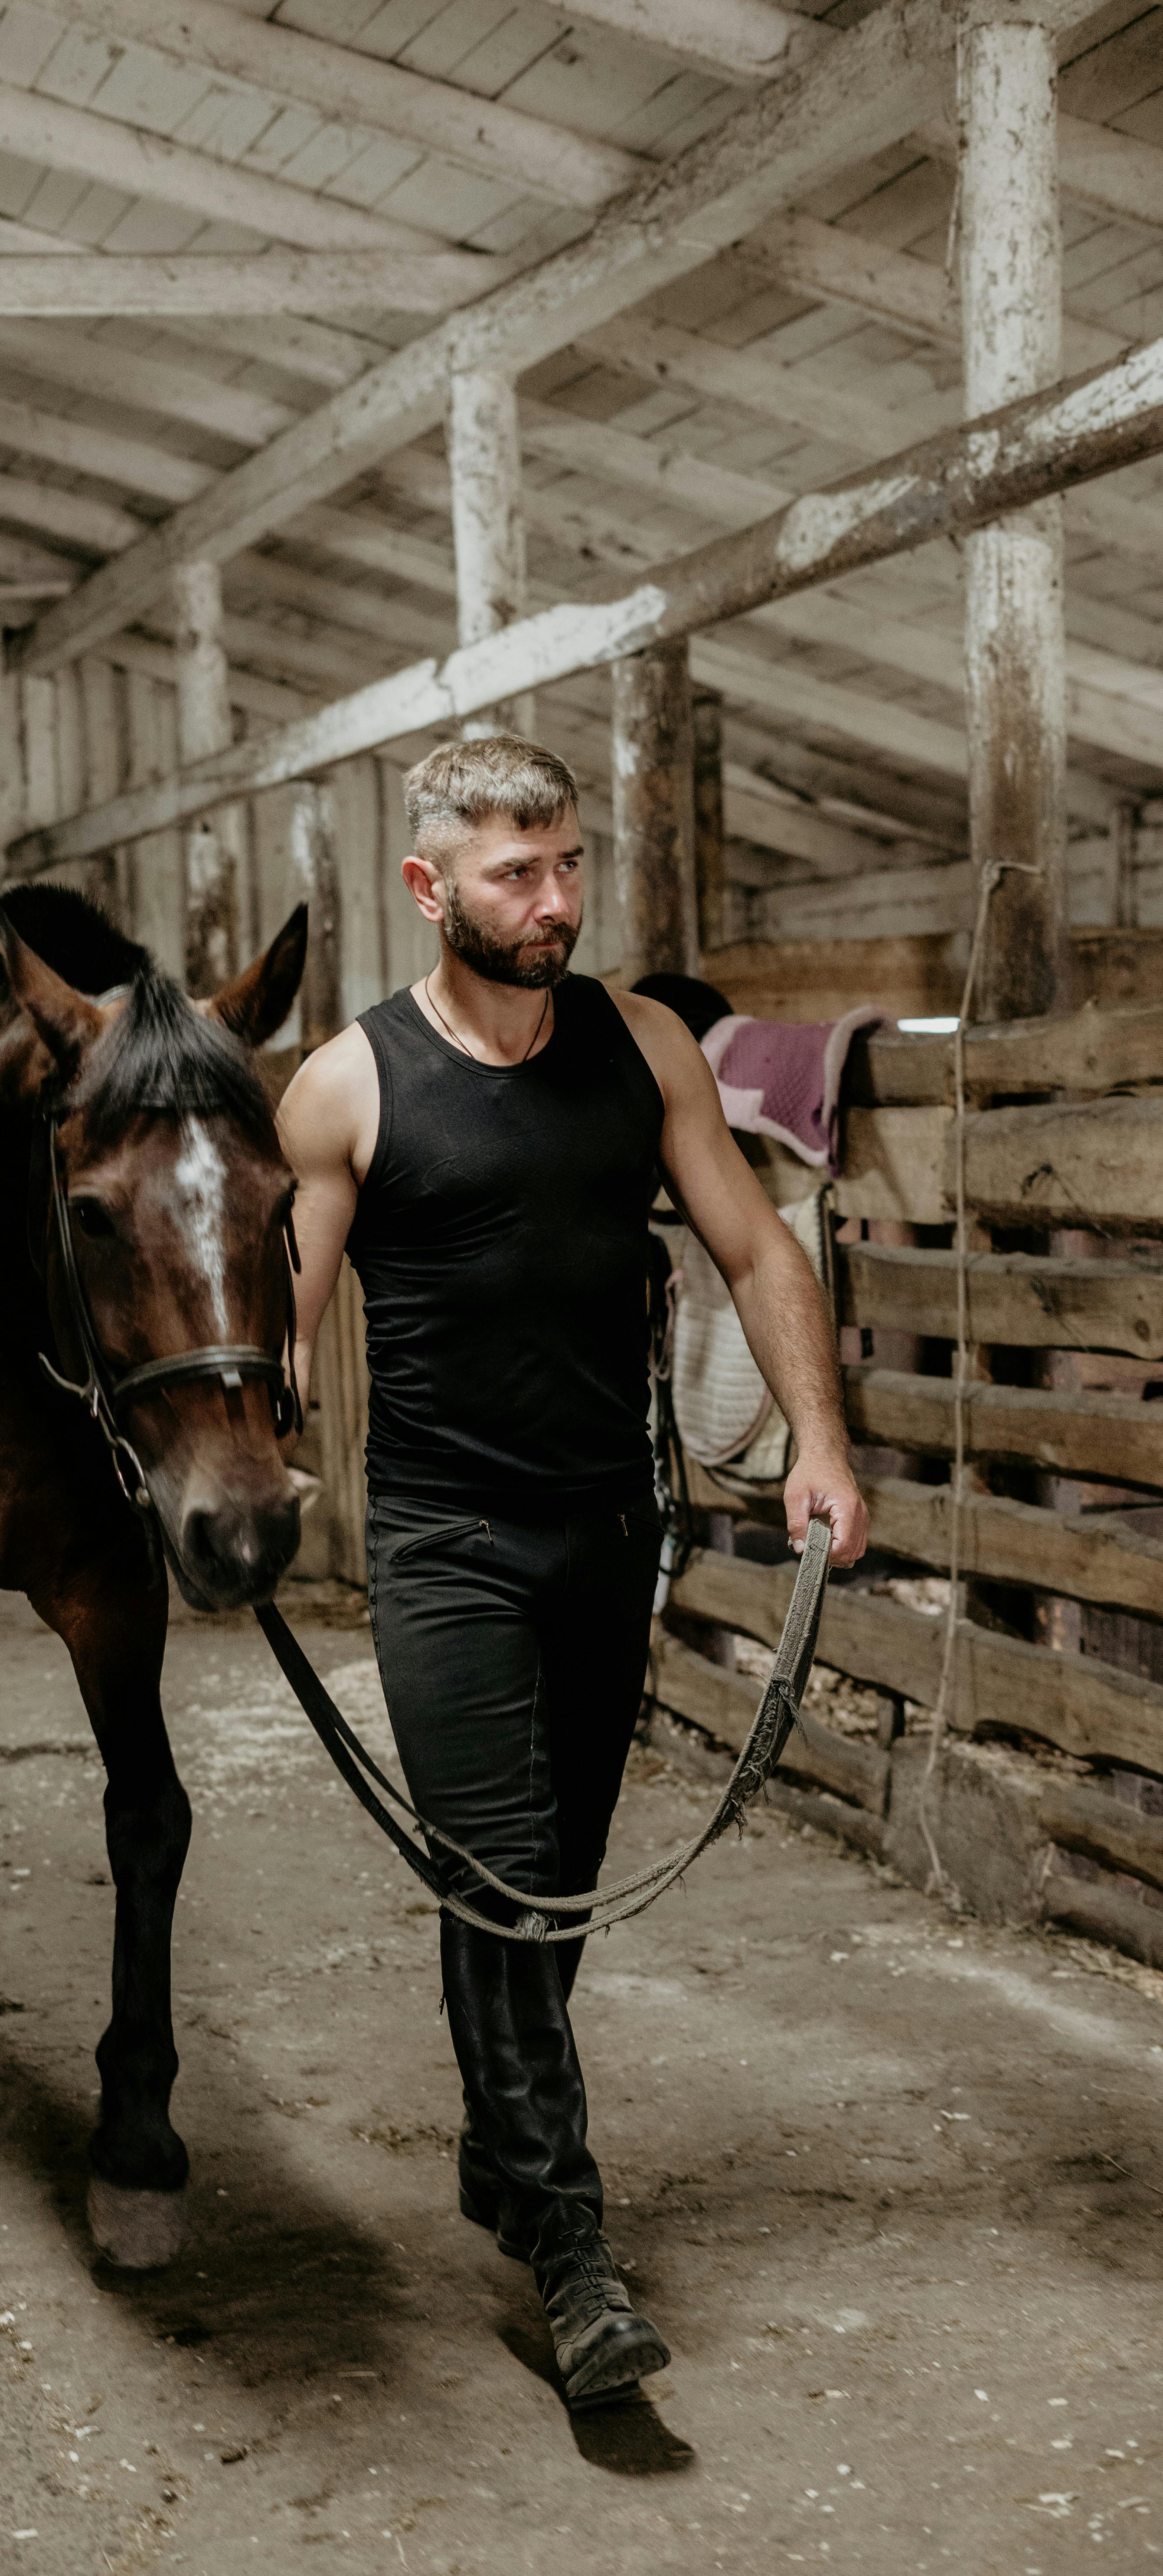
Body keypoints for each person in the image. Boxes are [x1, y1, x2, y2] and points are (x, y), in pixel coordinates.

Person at [276, 733, 867, 2409]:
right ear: (429, 885)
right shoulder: (349, 1086)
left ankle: (497, 2148)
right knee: (511, 1872)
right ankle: (572, 2254)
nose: (555, 902)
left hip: (613, 1529)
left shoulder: (645, 1045)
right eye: (516, 874)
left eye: (569, 866)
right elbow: (284, 1330)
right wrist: (240, 1471)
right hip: (445, 1543)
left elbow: (755, 1250)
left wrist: (819, 1446)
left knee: (557, 1887)